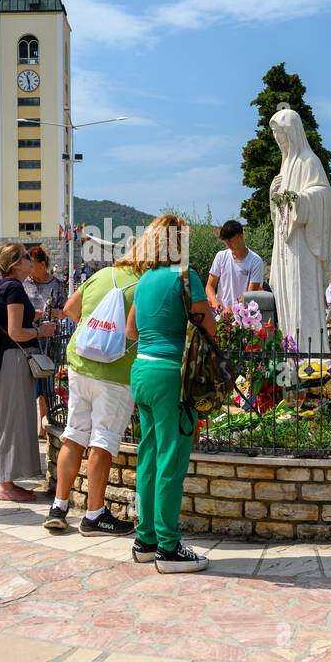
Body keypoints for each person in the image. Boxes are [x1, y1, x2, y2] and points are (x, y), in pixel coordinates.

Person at [125, 214, 216, 573]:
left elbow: (131, 331)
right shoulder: (185, 275)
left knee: (148, 455)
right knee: (171, 460)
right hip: (172, 376)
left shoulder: (144, 280)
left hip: (142, 372)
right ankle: (168, 546)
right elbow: (208, 326)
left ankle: (145, 539)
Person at [43, 246, 140, 536]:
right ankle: (95, 514)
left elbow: (70, 309)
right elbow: (137, 331)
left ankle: (58, 507)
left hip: (80, 364)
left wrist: (96, 334)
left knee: (74, 433)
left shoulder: (101, 275)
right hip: (115, 373)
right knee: (103, 440)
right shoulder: (144, 285)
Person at [0, 243, 58, 502]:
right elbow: (15, 333)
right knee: (12, 420)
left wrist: (31, 319)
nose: (30, 259)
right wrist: (40, 331)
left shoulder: (6, 286)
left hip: (10, 359)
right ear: (16, 263)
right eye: (26, 256)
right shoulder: (13, 287)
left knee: (15, 418)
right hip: (14, 359)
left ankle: (10, 480)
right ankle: (5, 484)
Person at [23, 246, 67, 442]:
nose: (29, 269)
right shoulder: (25, 284)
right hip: (30, 336)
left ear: (42, 264)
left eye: (32, 265)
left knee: (48, 381)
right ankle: (30, 423)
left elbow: (67, 310)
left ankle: (45, 423)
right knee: (30, 380)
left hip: (52, 338)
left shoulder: (57, 284)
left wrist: (59, 313)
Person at [206, 219, 265, 317]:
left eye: (230, 240)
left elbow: (250, 295)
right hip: (220, 316)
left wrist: (233, 309)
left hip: (243, 318)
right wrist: (214, 302)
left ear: (241, 236)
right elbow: (210, 286)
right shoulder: (221, 256)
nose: (228, 244)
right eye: (225, 241)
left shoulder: (256, 261)